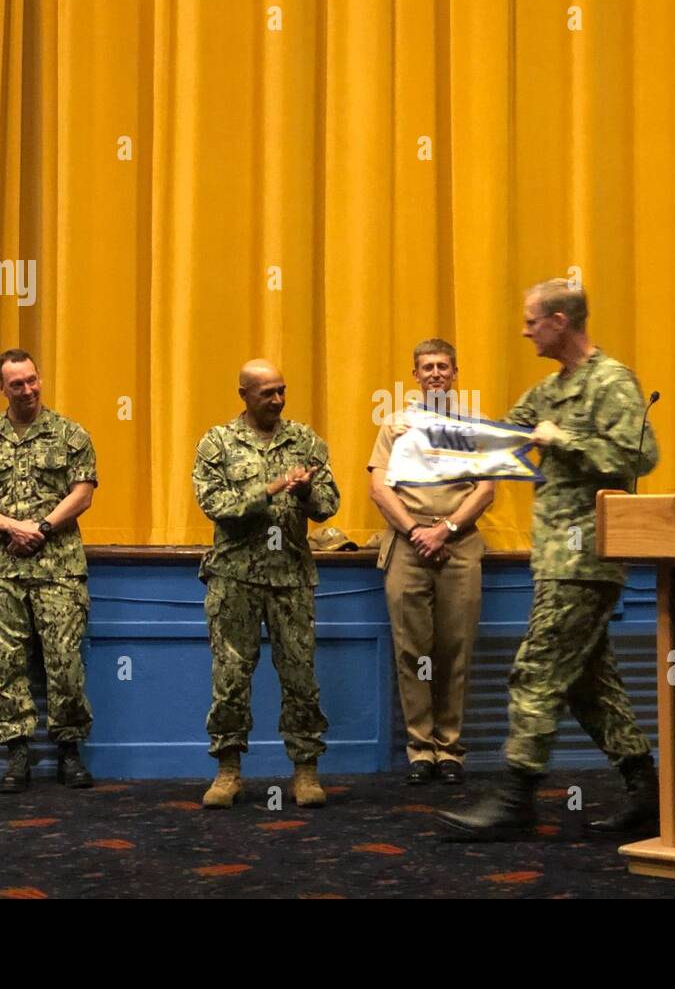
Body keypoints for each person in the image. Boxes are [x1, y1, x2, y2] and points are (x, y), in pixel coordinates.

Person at [438, 280, 660, 840]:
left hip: (588, 555)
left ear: (560, 321)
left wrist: (563, 439)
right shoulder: (548, 390)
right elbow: (503, 437)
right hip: (555, 556)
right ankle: (647, 791)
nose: (525, 329)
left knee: (535, 671)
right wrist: (429, 430)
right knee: (587, 683)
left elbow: (640, 457)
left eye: (532, 320)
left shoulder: (612, 382)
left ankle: (515, 799)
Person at [193, 359, 340, 809]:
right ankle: (228, 771)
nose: (276, 400)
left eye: (281, 390)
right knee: (231, 678)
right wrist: (272, 489)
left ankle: (306, 771)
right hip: (234, 577)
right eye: (266, 393)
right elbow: (215, 504)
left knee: (300, 677)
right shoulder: (217, 443)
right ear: (244, 395)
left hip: (290, 577)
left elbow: (329, 504)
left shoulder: (305, 441)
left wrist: (306, 493)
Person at [0, 349, 98, 794]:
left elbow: (83, 493)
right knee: (7, 664)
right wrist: (10, 526)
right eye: (17, 384)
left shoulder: (70, 434)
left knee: (65, 662)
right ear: (1, 388)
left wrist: (40, 528)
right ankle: (17, 754)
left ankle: (69, 752)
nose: (28, 390)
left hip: (59, 568)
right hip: (2, 570)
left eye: (33, 380)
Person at [368, 339, 496, 785]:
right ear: (416, 376)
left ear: (455, 372)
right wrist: (416, 531)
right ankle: (420, 749)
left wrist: (446, 530)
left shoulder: (475, 427)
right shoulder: (395, 425)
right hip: (408, 544)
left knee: (454, 650)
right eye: (427, 367)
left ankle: (450, 750)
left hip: (458, 545)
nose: (436, 373)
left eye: (443, 366)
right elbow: (379, 488)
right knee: (412, 650)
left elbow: (485, 490)